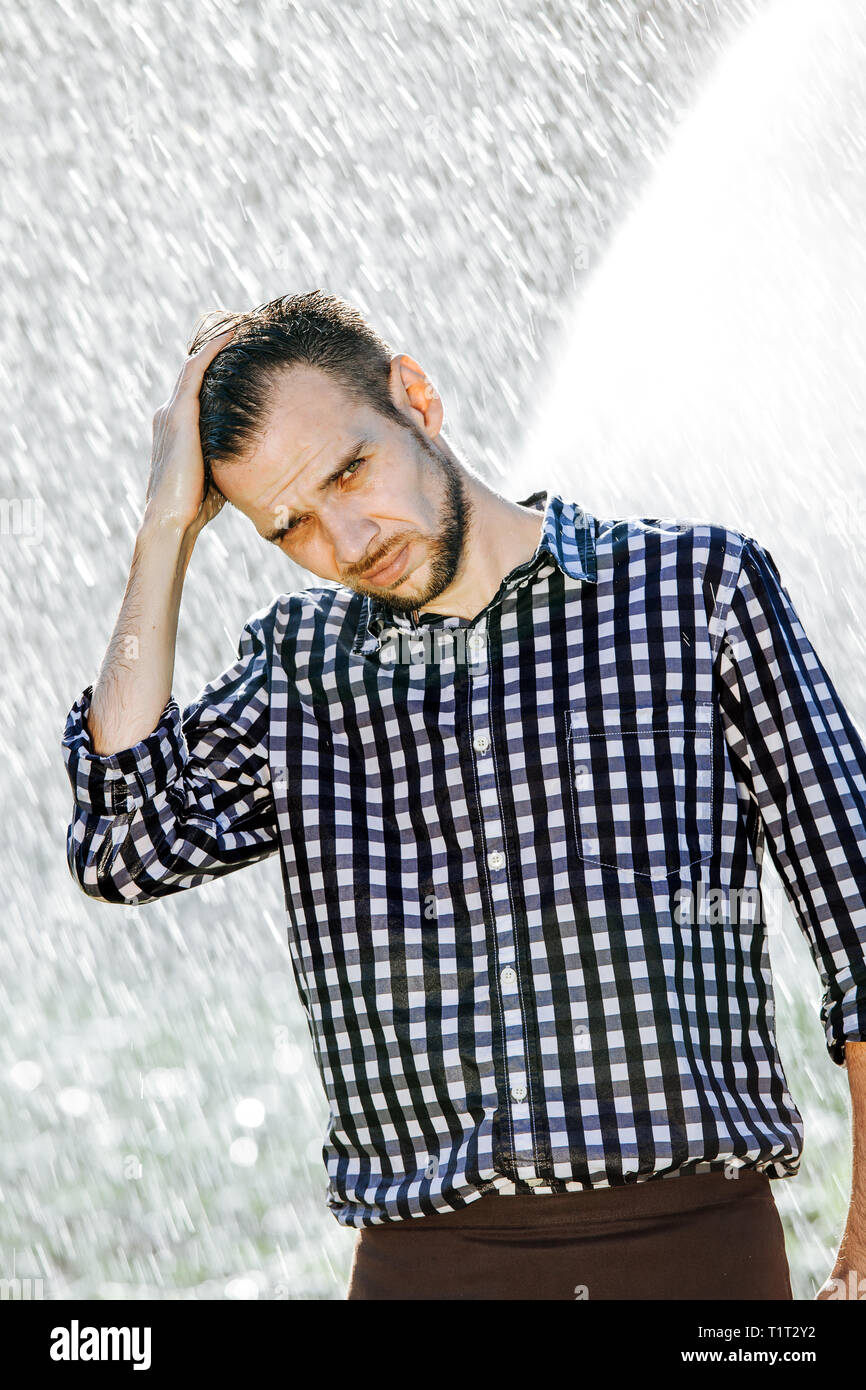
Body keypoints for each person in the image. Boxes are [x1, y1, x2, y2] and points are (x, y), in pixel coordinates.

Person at [61, 290, 866, 1300]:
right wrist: (166, 523)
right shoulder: (302, 674)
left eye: (350, 470)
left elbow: (857, 923)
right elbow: (122, 841)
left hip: (696, 1263)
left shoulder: (694, 591)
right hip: (422, 1270)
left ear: (414, 397)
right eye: (291, 525)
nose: (348, 540)